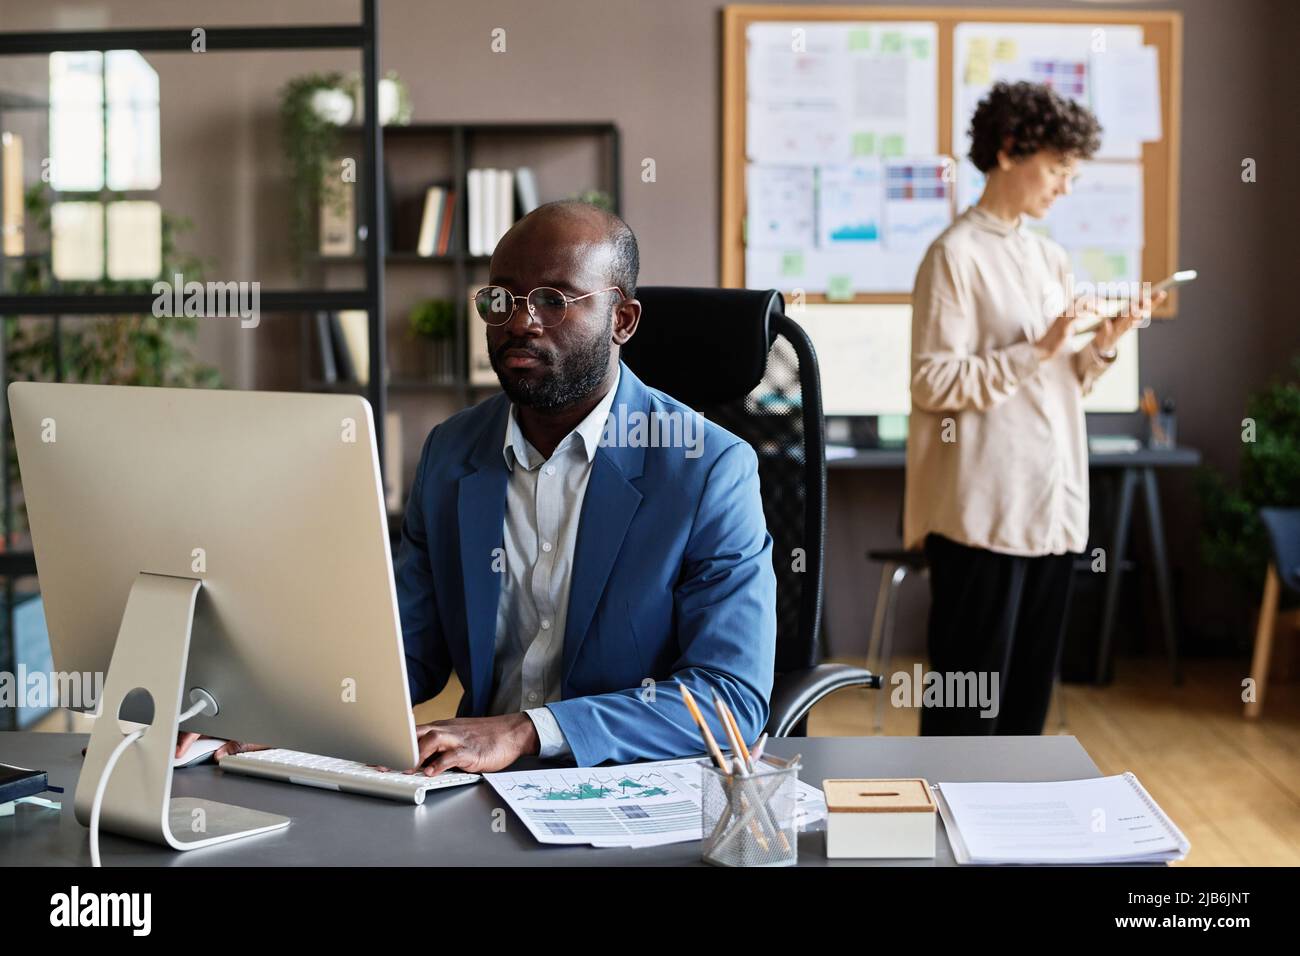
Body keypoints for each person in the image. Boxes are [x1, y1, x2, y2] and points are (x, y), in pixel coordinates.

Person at [177, 202, 776, 772]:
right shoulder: (452, 452)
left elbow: (729, 700)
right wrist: (276, 714)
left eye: (553, 299)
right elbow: (407, 650)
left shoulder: (708, 469)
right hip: (475, 786)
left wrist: (525, 730)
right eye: (502, 298)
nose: (519, 321)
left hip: (626, 789)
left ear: (622, 319)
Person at [904, 81, 1165, 735]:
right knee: (967, 711)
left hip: (1050, 507)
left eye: (1072, 174)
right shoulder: (953, 255)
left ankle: (1011, 834)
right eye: (1057, 170)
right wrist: (1039, 345)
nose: (1065, 188)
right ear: (1009, 150)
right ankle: (941, 831)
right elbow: (933, 383)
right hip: (980, 514)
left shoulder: (1049, 257)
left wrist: (1100, 347)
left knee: (1025, 708)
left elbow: (1057, 383)